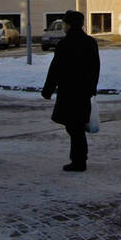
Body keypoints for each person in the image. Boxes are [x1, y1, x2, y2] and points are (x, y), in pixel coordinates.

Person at [41, 10, 100, 172]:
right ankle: (80, 158)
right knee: (77, 126)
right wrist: (92, 88)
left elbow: (55, 69)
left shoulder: (65, 44)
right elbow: (95, 68)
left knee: (74, 128)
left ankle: (79, 161)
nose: (64, 27)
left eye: (65, 24)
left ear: (69, 25)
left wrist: (48, 90)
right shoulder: (90, 42)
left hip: (69, 92)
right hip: (83, 91)